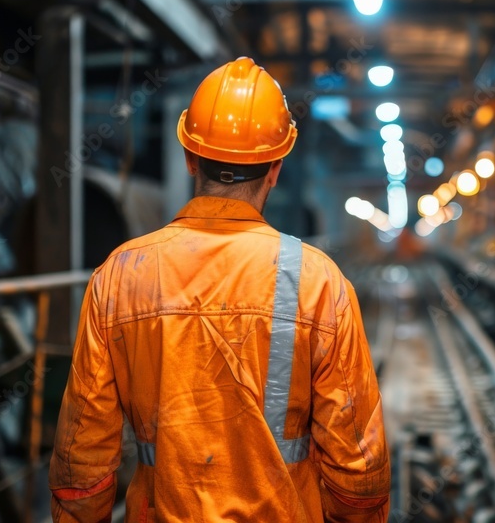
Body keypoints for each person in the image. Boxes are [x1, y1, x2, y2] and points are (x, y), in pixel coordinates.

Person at [48, 57, 390, 522]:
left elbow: (82, 456)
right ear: (275, 168)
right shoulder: (319, 282)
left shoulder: (120, 275)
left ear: (189, 158)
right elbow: (358, 466)